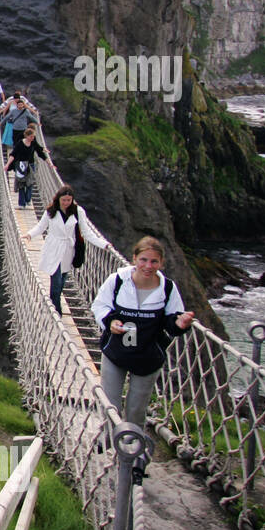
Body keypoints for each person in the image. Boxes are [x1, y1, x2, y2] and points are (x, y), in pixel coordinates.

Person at [91, 236, 195, 433]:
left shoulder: (168, 288)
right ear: (134, 259)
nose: (148, 266)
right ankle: (107, 439)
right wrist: (110, 321)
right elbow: (100, 305)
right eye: (143, 260)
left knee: (136, 410)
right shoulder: (118, 281)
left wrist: (180, 323)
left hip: (148, 356)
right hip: (116, 351)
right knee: (109, 404)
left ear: (162, 263)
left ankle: (133, 454)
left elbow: (172, 322)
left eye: (154, 261)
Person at [27, 185, 109, 314]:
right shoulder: (51, 211)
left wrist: (103, 244)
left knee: (62, 281)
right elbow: (41, 227)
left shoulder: (78, 211)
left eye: (68, 200)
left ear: (72, 200)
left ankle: (53, 304)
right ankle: (56, 312)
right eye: (63, 200)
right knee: (56, 281)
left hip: (68, 250)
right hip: (53, 248)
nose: (66, 203)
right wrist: (29, 235)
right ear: (58, 198)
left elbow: (87, 233)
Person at [3, 126, 54, 208]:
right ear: (26, 136)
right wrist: (7, 164)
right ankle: (21, 204)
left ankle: (28, 199)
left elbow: (40, 153)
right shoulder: (20, 143)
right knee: (21, 184)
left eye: (33, 136)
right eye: (31, 136)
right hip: (21, 166)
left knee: (29, 184)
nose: (33, 138)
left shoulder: (33, 143)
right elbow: (13, 154)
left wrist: (50, 164)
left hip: (31, 165)